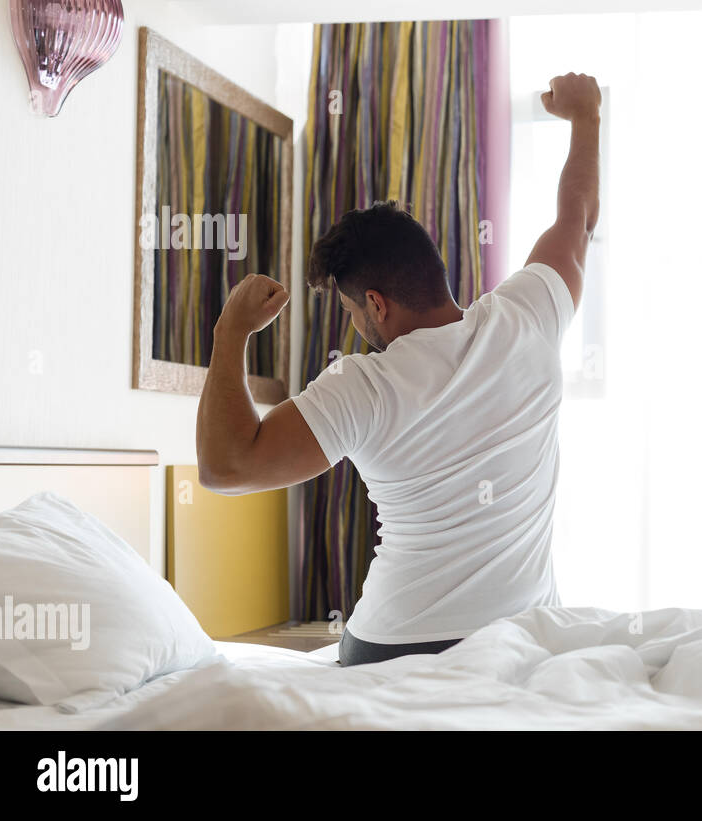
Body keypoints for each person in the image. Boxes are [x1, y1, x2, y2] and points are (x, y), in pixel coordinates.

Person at [195, 72, 602, 666]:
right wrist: (587, 117)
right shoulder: (530, 316)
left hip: (397, 650)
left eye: (352, 310)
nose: (357, 325)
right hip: (525, 645)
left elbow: (225, 468)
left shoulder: (364, 386)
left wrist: (229, 331)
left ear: (377, 304)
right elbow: (579, 217)